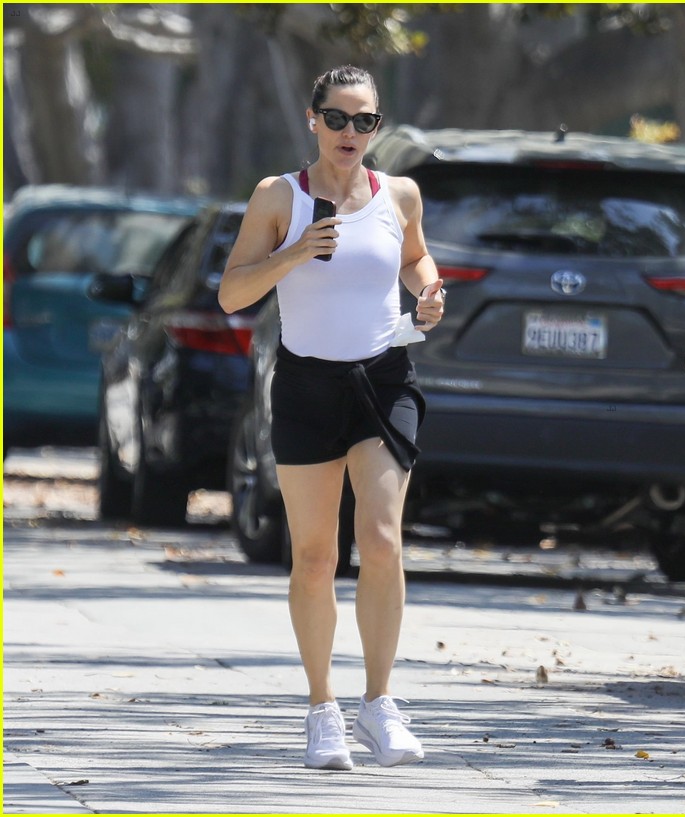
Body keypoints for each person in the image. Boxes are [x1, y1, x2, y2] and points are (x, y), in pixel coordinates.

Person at [219, 65, 445, 771]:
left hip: (383, 378)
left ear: (378, 127)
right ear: (313, 120)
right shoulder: (277, 196)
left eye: (365, 120)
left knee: (381, 540)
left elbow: (414, 259)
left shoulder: (397, 193)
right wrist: (293, 254)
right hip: (307, 384)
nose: (351, 133)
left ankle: (379, 703)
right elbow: (232, 294)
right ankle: (323, 710)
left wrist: (429, 289)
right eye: (338, 119)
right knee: (316, 557)